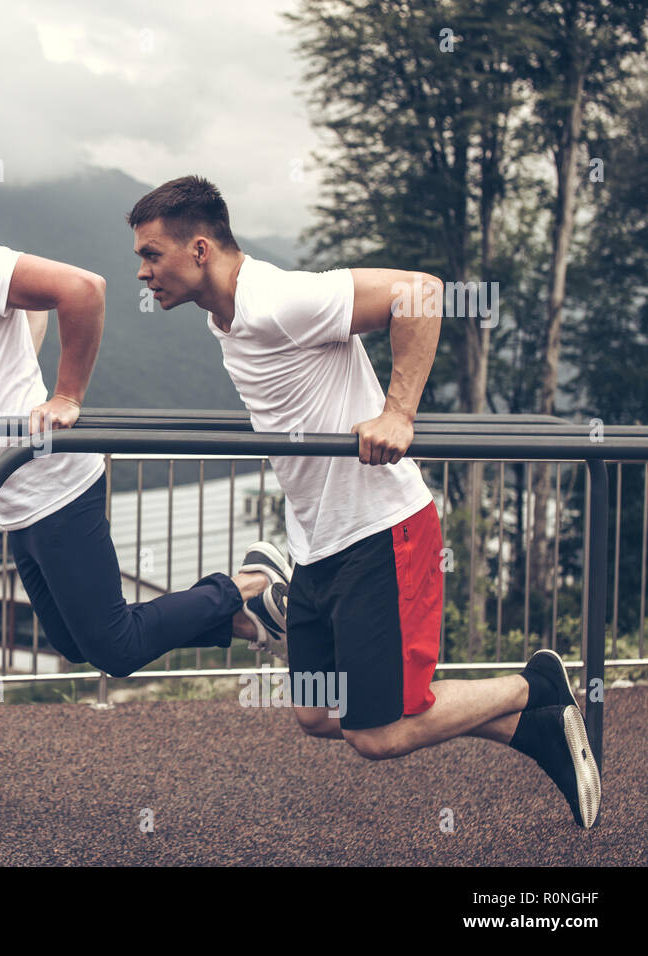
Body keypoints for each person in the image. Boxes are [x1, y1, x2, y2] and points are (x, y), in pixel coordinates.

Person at [126, 174, 600, 828]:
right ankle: (531, 725)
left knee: (377, 733)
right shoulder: (224, 316)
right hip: (317, 544)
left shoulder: (276, 298)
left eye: (152, 255)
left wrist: (398, 413)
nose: (144, 273)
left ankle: (534, 687)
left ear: (200, 249)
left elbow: (421, 293)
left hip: (383, 533)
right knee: (318, 712)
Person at [0, 172, 290, 680]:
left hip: (53, 488)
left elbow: (83, 289)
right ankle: (249, 619)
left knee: (116, 649)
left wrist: (66, 395)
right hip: (13, 499)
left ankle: (247, 586)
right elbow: (30, 312)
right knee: (73, 641)